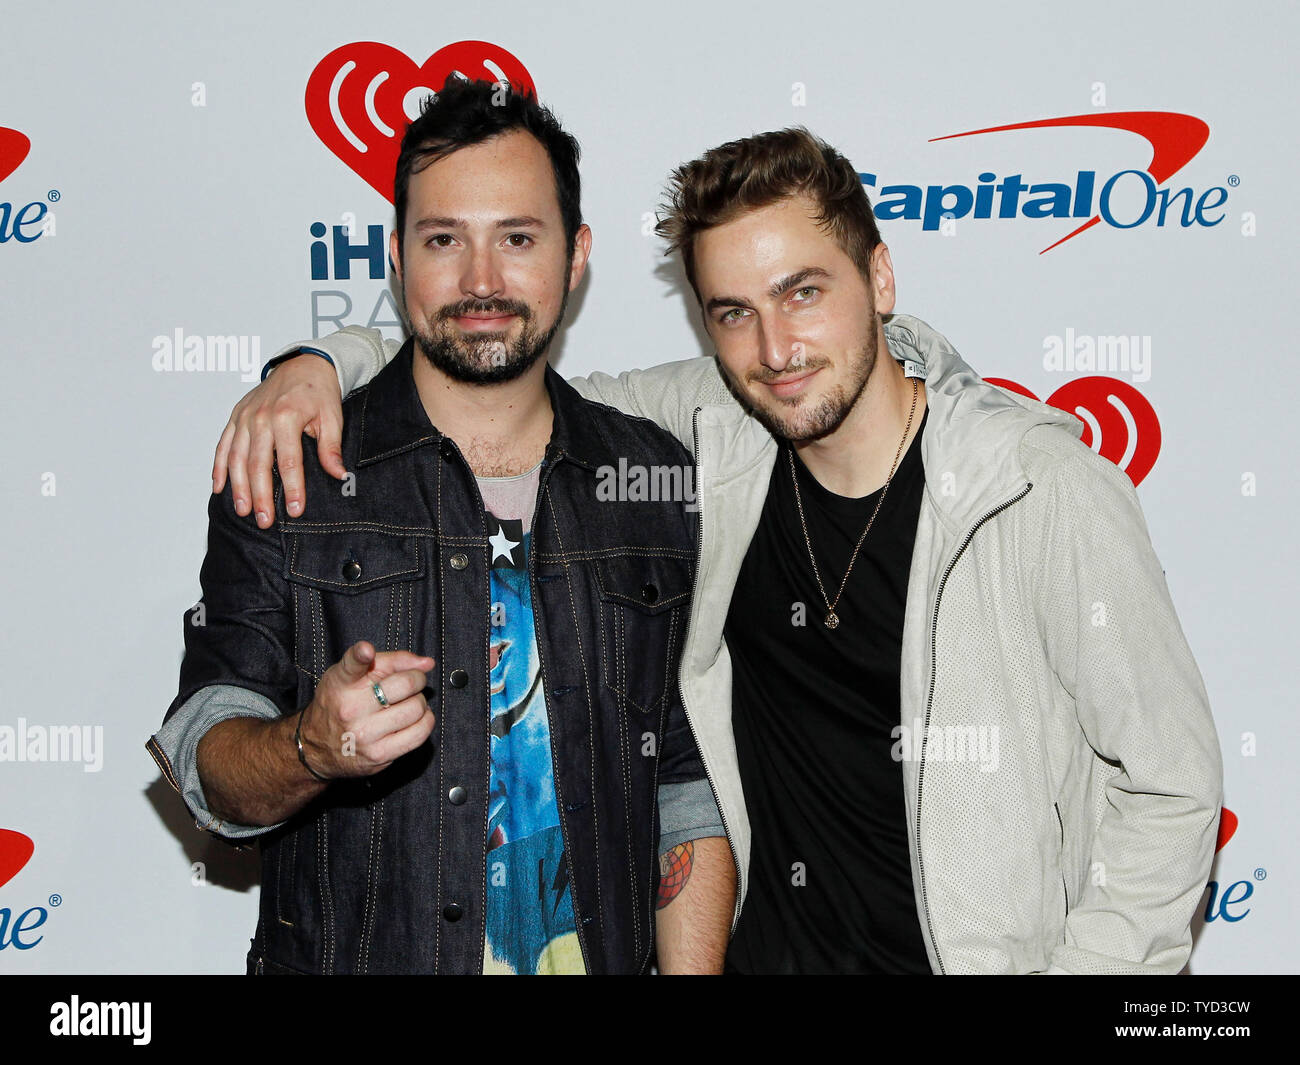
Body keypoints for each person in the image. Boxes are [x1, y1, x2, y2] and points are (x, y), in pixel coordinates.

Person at [215, 127, 1222, 974]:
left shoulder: (1035, 488)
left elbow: (1172, 786)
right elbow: (487, 364)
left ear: (878, 278)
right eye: (731, 313)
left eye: (802, 293)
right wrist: (316, 364)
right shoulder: (711, 432)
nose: (773, 350)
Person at [146, 77, 736, 975]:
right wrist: (314, 744)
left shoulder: (650, 481)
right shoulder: (292, 471)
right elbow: (207, 758)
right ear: (395, 257)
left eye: (518, 238)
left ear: (576, 256)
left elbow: (686, 789)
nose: (482, 280)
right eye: (443, 239)